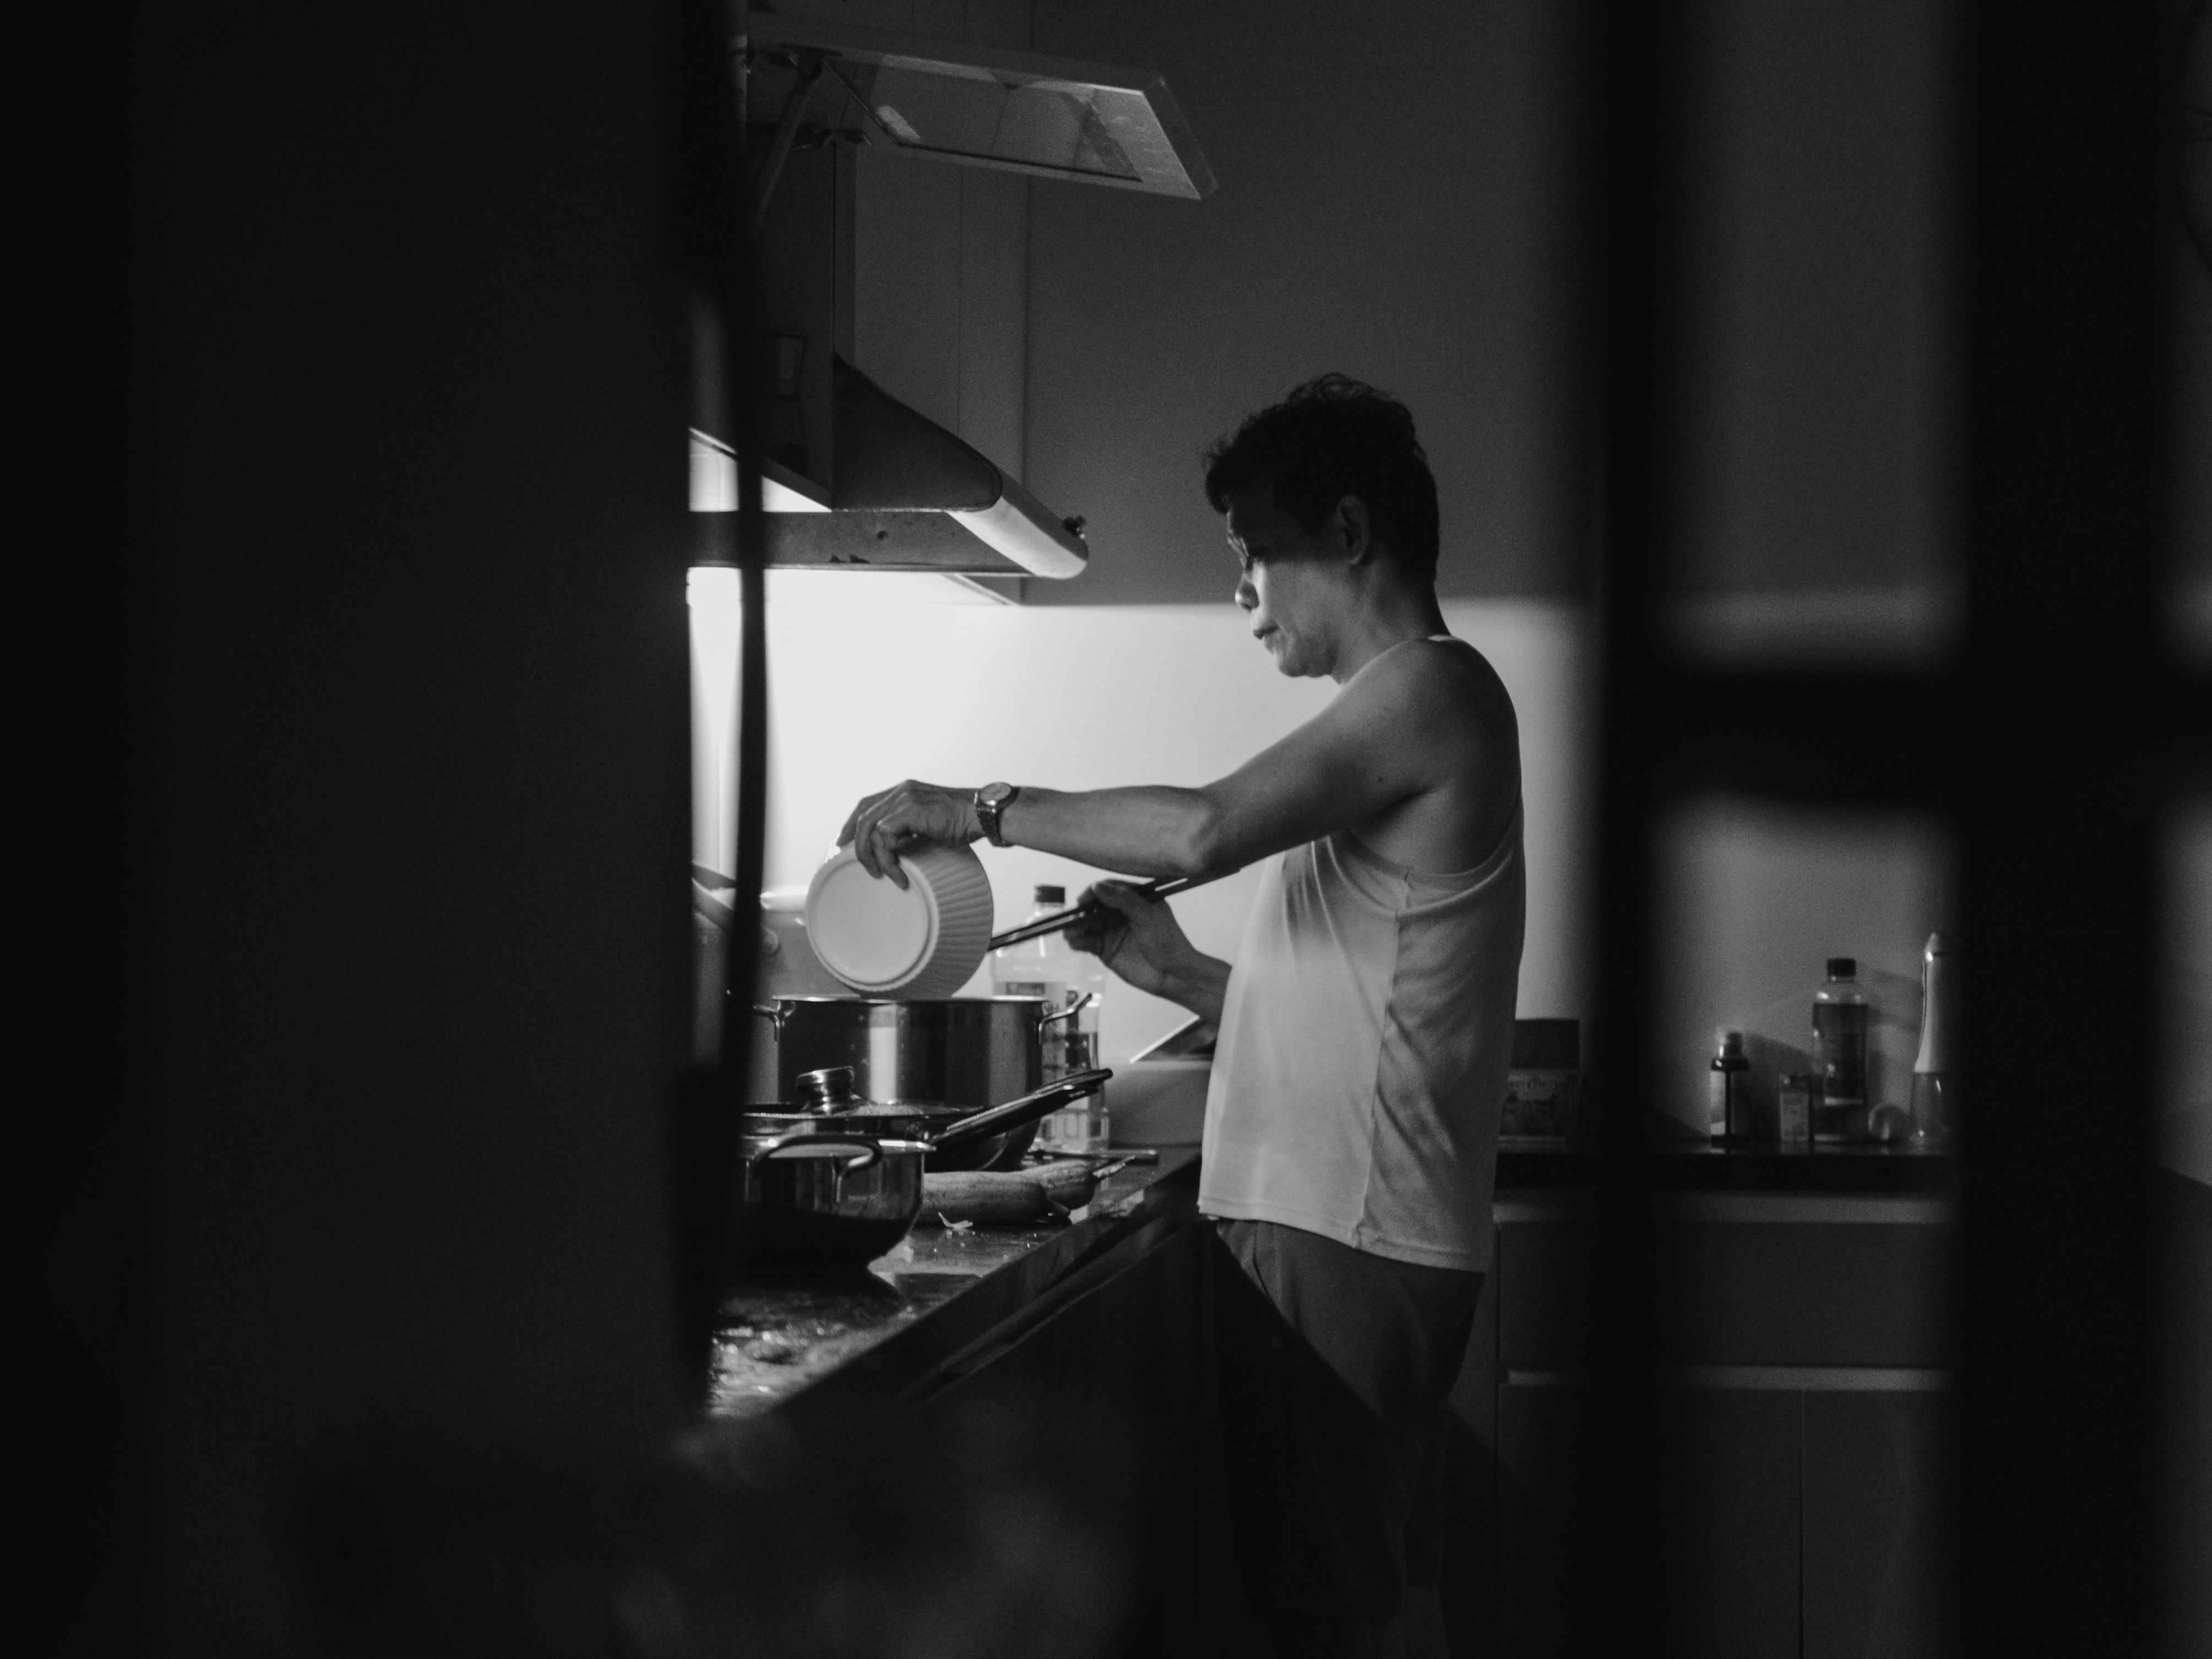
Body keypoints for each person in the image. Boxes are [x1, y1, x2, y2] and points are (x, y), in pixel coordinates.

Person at [837, 375, 1524, 1658]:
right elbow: (1369, 1006)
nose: (1241, 592)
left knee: (1334, 1622)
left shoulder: (1428, 691)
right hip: (1362, 1229)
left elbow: (1200, 828)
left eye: (1256, 552)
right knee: (1381, 1602)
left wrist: (974, 804)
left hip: (1341, 1234)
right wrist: (1180, 976)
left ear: (1351, 533)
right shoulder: (1413, 712)